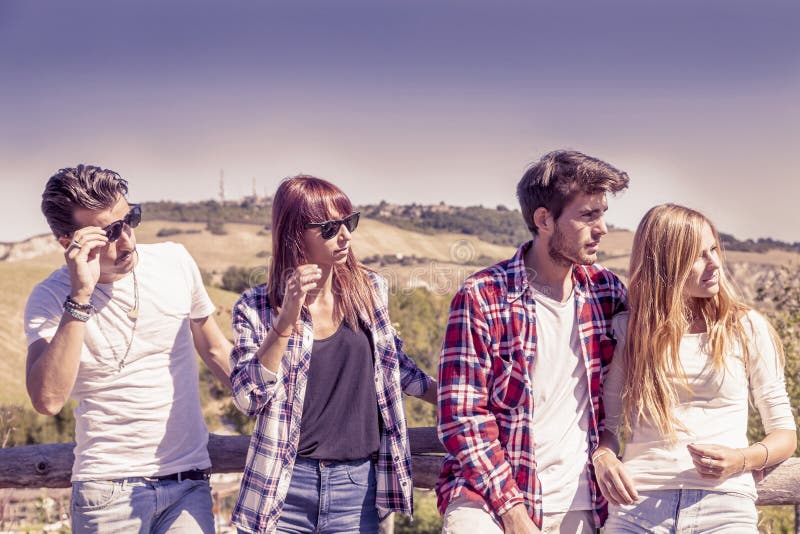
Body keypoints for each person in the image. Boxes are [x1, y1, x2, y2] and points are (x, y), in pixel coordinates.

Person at [24, 165, 232, 533]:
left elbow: (216, 351)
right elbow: (48, 399)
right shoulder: (49, 297)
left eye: (129, 219)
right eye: (108, 233)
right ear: (67, 242)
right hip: (106, 491)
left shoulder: (176, 261)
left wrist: (282, 408)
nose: (128, 241)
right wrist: (81, 296)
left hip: (189, 484)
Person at [229, 175, 437, 534]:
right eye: (329, 228)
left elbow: (396, 368)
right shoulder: (256, 306)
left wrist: (459, 403)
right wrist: (285, 320)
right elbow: (248, 398)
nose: (345, 236)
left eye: (348, 222)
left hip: (356, 488)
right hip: (284, 487)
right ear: (295, 234)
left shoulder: (369, 291)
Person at [436, 150, 630, 534]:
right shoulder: (483, 295)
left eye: (602, 213)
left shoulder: (606, 292)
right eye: (588, 215)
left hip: (582, 497)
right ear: (544, 219)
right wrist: (513, 512)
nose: (603, 228)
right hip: (489, 499)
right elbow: (462, 416)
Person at [593, 204, 797, 533]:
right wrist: (602, 459)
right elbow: (608, 427)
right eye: (697, 256)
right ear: (665, 265)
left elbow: (785, 435)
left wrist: (741, 460)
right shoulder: (629, 331)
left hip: (725, 508)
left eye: (713, 248)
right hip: (637, 506)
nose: (714, 263)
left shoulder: (747, 328)